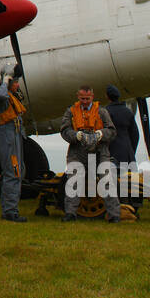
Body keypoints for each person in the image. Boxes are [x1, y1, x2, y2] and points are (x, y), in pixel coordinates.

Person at [59, 85, 120, 222]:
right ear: (78, 96)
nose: (85, 101)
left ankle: (114, 215)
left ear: (92, 97)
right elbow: (64, 131)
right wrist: (77, 135)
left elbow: (112, 131)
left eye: (87, 98)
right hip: (77, 151)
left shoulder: (102, 112)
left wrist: (100, 134)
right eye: (82, 98)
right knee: (73, 182)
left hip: (100, 150)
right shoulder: (71, 112)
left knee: (107, 182)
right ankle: (70, 214)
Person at [0, 65, 29, 223]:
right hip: (7, 137)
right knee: (12, 174)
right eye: (14, 82)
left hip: (14, 135)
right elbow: (1, 95)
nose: (17, 85)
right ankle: (10, 212)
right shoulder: (0, 95)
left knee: (17, 173)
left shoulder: (12, 95)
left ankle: (10, 209)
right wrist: (5, 82)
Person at [105, 85, 139, 169]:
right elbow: (135, 135)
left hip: (111, 155)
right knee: (129, 180)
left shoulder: (105, 112)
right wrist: (131, 151)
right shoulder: (128, 112)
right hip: (128, 155)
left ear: (107, 97)